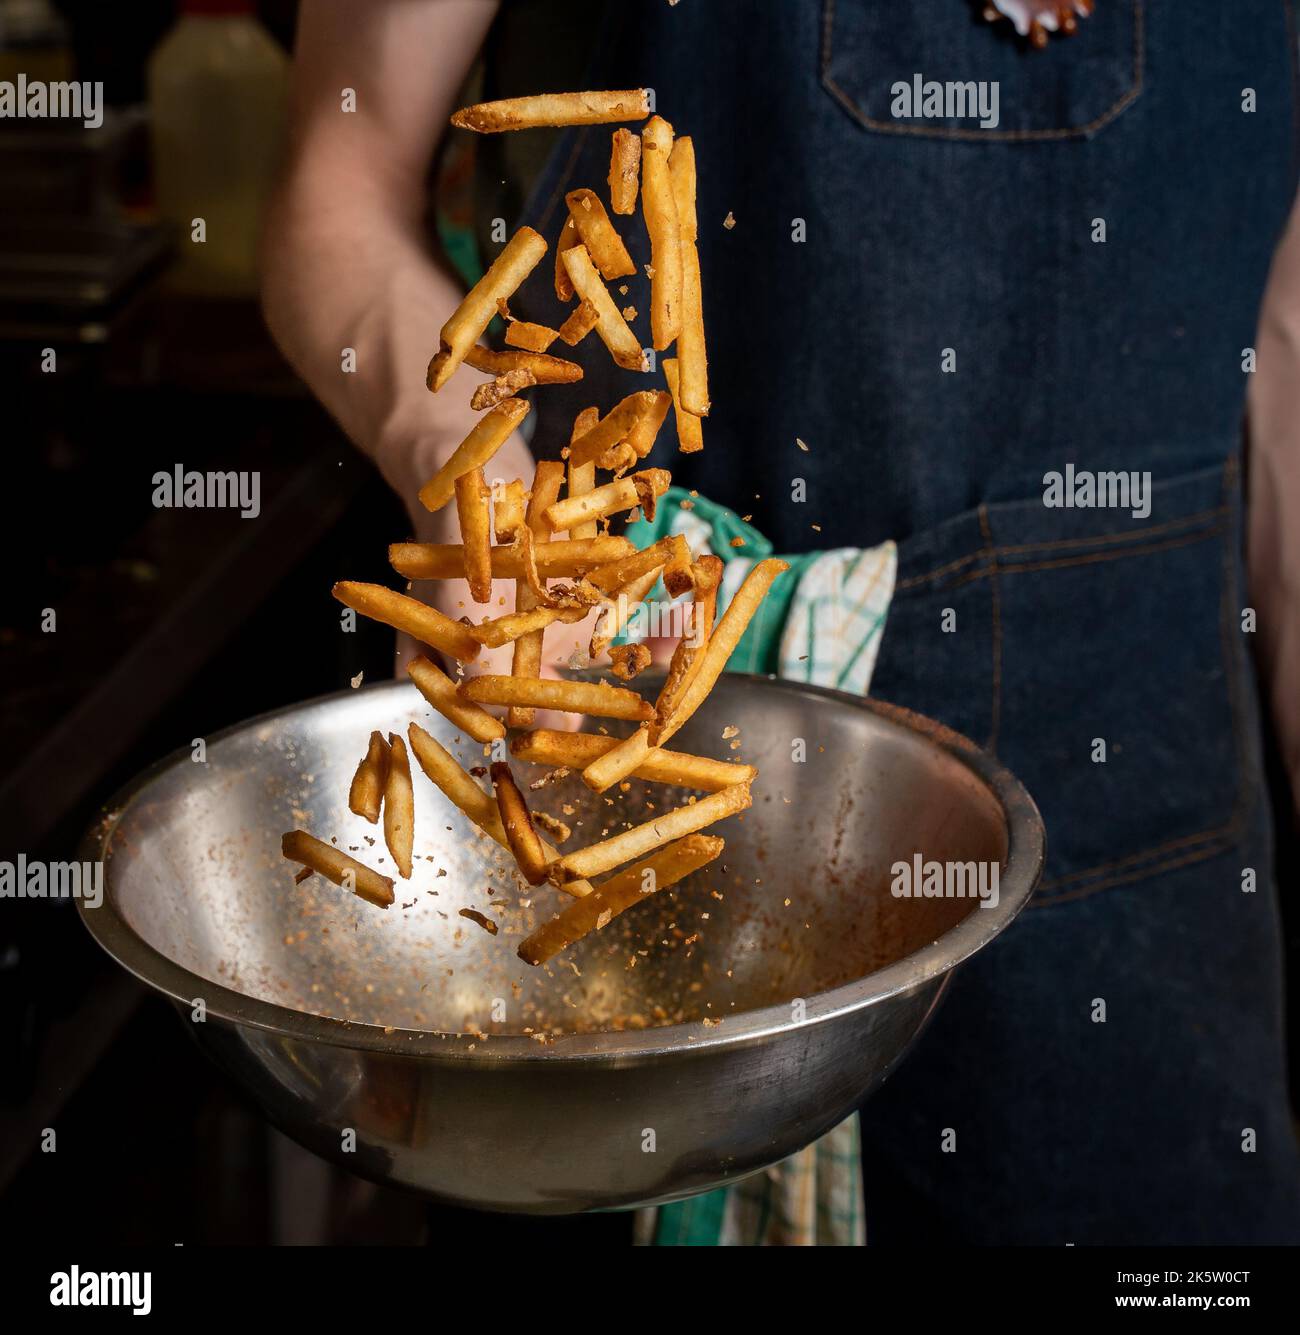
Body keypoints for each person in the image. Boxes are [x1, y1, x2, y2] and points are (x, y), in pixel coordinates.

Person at [262, 0, 1300, 1244]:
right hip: (627, 764)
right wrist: (475, 475)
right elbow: (341, 182)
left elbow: (1284, 357)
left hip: (1145, 830)